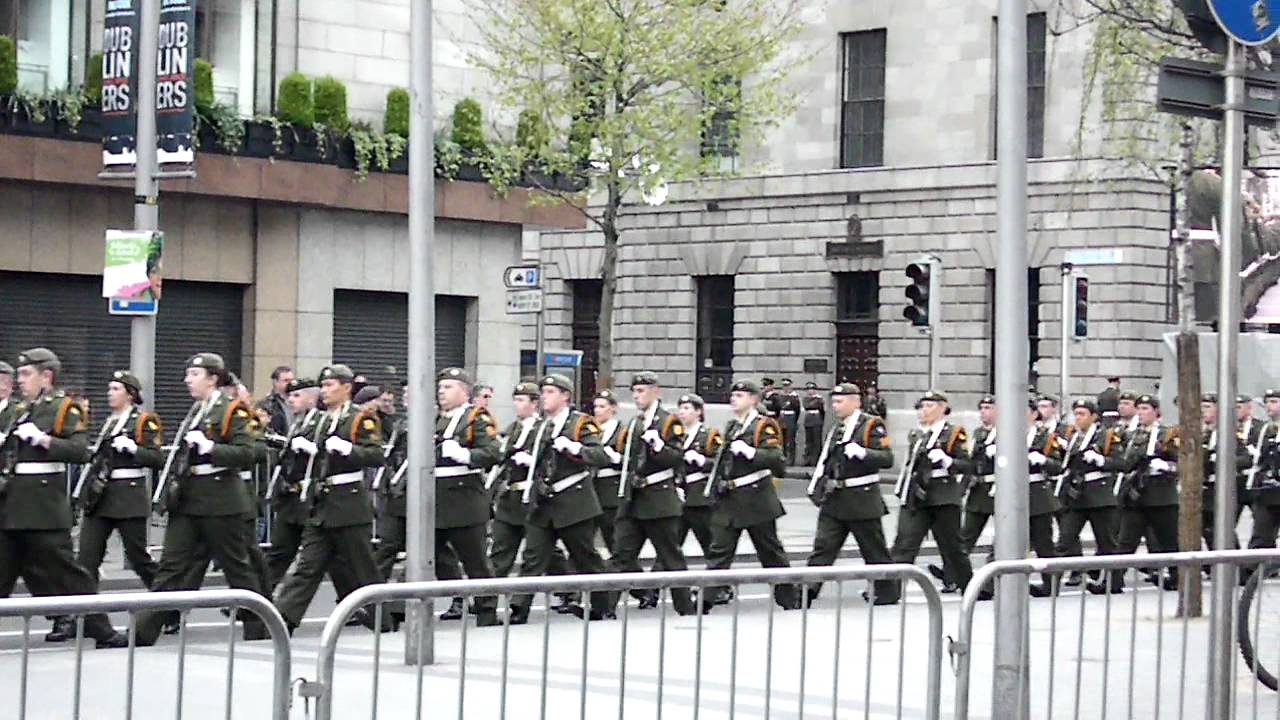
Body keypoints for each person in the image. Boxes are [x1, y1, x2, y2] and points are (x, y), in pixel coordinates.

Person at [134, 352, 268, 646]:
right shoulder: (197, 410)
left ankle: (260, 629)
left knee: (238, 568)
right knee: (171, 565)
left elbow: (249, 453)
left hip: (221, 500)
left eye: (194, 375)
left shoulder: (233, 411)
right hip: (190, 497)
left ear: (213, 378)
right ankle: (142, 633)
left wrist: (211, 449)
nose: (187, 380)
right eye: (188, 374)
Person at [0, 349, 128, 649]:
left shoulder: (63, 408)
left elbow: (80, 451)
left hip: (42, 508)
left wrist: (43, 440)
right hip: (11, 506)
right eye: (19, 375)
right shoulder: (20, 410)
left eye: (26, 374)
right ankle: (74, 622)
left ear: (47, 376)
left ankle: (103, 631)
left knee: (69, 575)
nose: (21, 380)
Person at [272, 364, 394, 633]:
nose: (324, 391)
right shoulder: (319, 420)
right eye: (323, 386)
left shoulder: (359, 418)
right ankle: (284, 621)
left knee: (363, 568)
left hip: (348, 503)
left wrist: (350, 450)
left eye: (330, 385)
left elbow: (375, 455)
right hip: (321, 502)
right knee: (307, 565)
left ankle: (383, 622)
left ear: (347, 388)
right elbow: (315, 456)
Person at [508, 373, 612, 624]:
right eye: (543, 392)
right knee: (532, 557)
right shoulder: (541, 425)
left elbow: (601, 456)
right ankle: (518, 609)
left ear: (565, 396)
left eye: (550, 392)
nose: (544, 396)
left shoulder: (580, 423)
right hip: (544, 502)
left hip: (574, 502)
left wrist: (576, 448)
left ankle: (602, 606)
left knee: (585, 556)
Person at [607, 372, 699, 616]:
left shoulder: (669, 422)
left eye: (642, 391)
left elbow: (677, 458)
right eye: (635, 391)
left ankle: (686, 609)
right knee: (621, 556)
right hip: (634, 499)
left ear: (656, 391)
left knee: (671, 558)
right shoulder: (636, 423)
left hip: (659, 498)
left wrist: (659, 446)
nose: (637, 396)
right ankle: (603, 609)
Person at [704, 380, 798, 611]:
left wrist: (751, 453)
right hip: (731, 499)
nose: (734, 398)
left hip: (756, 500)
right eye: (733, 394)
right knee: (719, 551)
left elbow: (777, 460)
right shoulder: (733, 427)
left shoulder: (763, 426)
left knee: (771, 553)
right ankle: (705, 600)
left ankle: (790, 599)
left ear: (754, 400)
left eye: (740, 395)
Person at [804, 383, 898, 605]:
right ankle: (807, 591)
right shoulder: (837, 429)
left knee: (874, 551)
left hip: (861, 499)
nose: (835, 406)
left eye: (840, 401)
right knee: (823, 548)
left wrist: (864, 453)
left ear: (856, 401)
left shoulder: (871, 425)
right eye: (834, 401)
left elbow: (887, 459)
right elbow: (827, 461)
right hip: (835, 499)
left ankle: (887, 592)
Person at [72, 371, 162, 591]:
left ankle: (169, 604)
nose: (109, 393)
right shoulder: (110, 421)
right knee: (87, 559)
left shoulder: (142, 421)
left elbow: (157, 458)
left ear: (130, 394)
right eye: (109, 388)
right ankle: (85, 617)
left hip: (128, 498)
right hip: (101, 496)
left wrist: (134, 450)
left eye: (116, 389)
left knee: (138, 558)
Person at [428, 367, 502, 627]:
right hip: (436, 497)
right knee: (433, 555)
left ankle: (486, 612)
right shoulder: (436, 419)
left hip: (464, 499)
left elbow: (493, 452)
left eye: (448, 387)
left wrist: (466, 456)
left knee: (476, 561)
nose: (441, 392)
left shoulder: (476, 418)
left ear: (464, 391)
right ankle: (457, 595)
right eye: (440, 387)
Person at [889, 391, 972, 599]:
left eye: (929, 406)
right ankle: (890, 591)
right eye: (921, 407)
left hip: (943, 495)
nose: (923, 411)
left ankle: (969, 587)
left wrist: (947, 460)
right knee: (904, 544)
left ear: (942, 408)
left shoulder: (953, 433)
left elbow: (967, 464)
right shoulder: (916, 435)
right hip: (917, 495)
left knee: (953, 546)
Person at [1054, 398, 1125, 593]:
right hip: (1076, 496)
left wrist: (1101, 460)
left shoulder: (1106, 436)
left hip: (1099, 495)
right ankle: (1050, 584)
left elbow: (1121, 463)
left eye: (1082, 414)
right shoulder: (1073, 437)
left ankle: (1113, 583)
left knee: (1107, 543)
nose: (1078, 418)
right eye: (1076, 414)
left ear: (1094, 417)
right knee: (1064, 541)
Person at [929, 395, 997, 593]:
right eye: (982, 407)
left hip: (999, 490)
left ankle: (990, 583)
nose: (984, 411)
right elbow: (971, 463)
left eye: (988, 407)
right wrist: (962, 489)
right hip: (979, 490)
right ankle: (952, 576)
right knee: (964, 537)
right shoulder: (978, 433)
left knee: (1001, 541)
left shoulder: (1009, 433)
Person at [1114, 394, 1180, 591]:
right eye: (1139, 409)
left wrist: (1166, 466)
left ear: (1156, 412)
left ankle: (1177, 577)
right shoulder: (1132, 435)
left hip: (1161, 496)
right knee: (1125, 542)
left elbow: (1183, 463)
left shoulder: (1168, 434)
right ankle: (1114, 581)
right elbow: (1124, 462)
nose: (1141, 413)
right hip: (1137, 496)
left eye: (1145, 409)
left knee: (1169, 541)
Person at [265, 377, 322, 588]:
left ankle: (367, 609)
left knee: (322, 560)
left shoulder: (321, 422)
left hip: (310, 498)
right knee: (279, 553)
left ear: (311, 399)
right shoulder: (297, 424)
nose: (290, 400)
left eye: (297, 395)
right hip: (290, 499)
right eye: (289, 395)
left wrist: (311, 447)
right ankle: (255, 600)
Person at [488, 382, 542, 579]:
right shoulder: (513, 429)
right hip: (509, 497)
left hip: (531, 497)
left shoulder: (542, 428)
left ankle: (569, 592)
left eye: (521, 400)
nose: (516, 404)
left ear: (534, 403)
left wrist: (532, 461)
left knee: (540, 551)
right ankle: (485, 602)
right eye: (515, 400)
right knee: (500, 550)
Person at [676, 393, 719, 558]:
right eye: (680, 408)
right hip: (679, 497)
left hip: (700, 498)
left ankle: (718, 581)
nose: (682, 412)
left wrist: (702, 461)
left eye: (687, 408)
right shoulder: (676, 435)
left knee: (709, 544)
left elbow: (720, 462)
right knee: (671, 546)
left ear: (699, 412)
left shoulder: (708, 435)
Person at [591, 390, 624, 554]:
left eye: (602, 406)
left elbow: (634, 460)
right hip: (590, 490)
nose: (597, 410)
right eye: (596, 406)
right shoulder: (590, 431)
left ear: (613, 408)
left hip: (611, 490)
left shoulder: (622, 431)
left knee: (612, 536)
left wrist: (616, 458)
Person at [1248, 389, 1280, 549]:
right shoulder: (1264, 429)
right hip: (1267, 491)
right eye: (1267, 402)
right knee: (1261, 539)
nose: (1269, 406)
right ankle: (1254, 572)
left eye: (1274, 402)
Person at [261, 366, 294, 436]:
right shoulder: (267, 404)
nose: (290, 383)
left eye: (292, 380)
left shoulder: (299, 400)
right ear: (275, 382)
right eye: (286, 380)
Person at [778, 379, 802, 466]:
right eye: (784, 386)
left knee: (790, 440)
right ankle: (783, 458)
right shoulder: (780, 396)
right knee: (782, 440)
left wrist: (794, 420)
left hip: (791, 418)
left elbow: (797, 410)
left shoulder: (794, 397)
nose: (786, 388)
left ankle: (791, 460)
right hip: (782, 418)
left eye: (787, 386)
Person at [801, 382, 825, 467]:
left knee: (817, 442)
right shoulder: (806, 399)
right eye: (808, 389)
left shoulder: (819, 399)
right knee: (809, 442)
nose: (810, 391)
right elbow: (806, 406)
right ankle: (808, 460)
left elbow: (821, 410)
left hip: (817, 420)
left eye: (812, 389)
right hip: (808, 420)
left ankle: (816, 460)